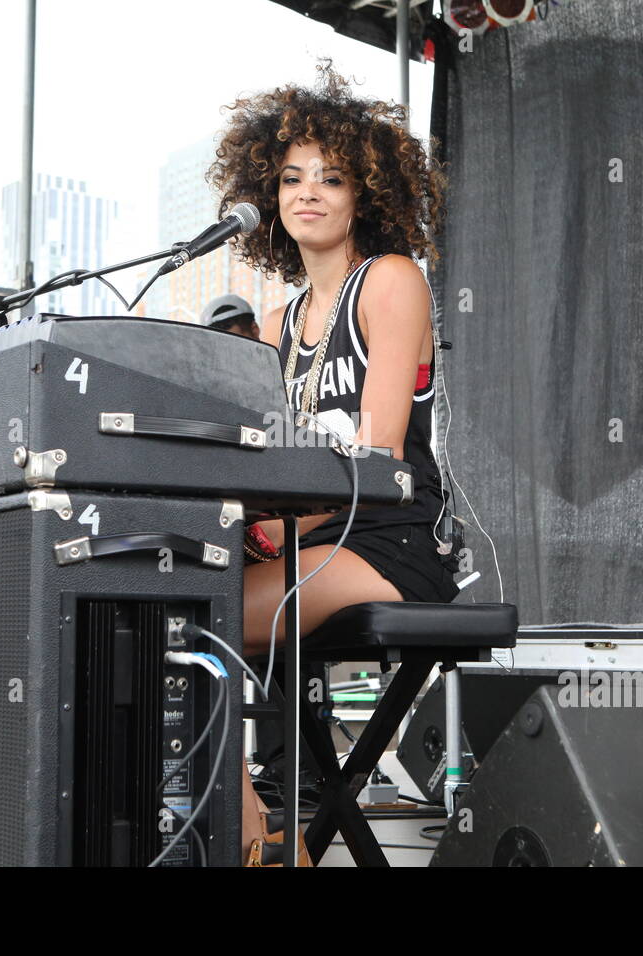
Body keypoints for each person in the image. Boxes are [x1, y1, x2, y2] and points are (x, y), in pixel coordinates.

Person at [207, 60, 456, 863]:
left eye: (332, 177)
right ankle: (263, 836)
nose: (307, 191)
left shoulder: (389, 282)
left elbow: (377, 463)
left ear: (364, 196)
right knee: (160, 600)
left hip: (390, 539)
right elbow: (268, 461)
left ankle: (254, 845)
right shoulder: (278, 325)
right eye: (291, 178)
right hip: (311, 537)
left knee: (194, 618)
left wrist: (276, 531)